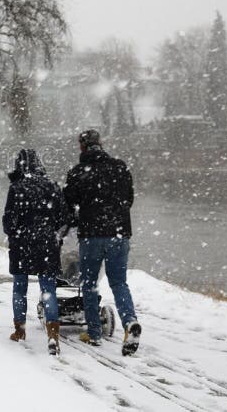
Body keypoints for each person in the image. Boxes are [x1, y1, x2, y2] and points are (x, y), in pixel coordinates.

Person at [64, 130, 142, 356]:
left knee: (89, 283)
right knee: (119, 283)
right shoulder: (120, 167)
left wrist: (78, 218)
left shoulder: (78, 172)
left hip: (91, 235)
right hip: (119, 234)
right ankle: (130, 322)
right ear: (101, 144)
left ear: (82, 147)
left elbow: (68, 204)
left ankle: (94, 333)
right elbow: (128, 199)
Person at [2, 149, 70, 355]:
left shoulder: (17, 187)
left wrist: (14, 232)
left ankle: (19, 331)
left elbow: (8, 220)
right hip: (46, 242)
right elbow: (62, 216)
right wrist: (49, 230)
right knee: (48, 289)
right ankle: (52, 337)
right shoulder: (51, 186)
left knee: (19, 287)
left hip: (22, 242)